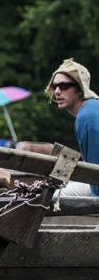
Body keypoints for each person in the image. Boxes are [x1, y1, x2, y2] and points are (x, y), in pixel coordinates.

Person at [46, 59, 99, 197]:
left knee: (51, 198)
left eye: (64, 86)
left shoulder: (87, 116)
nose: (57, 91)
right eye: (55, 86)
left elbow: (96, 170)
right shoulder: (91, 108)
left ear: (80, 90)